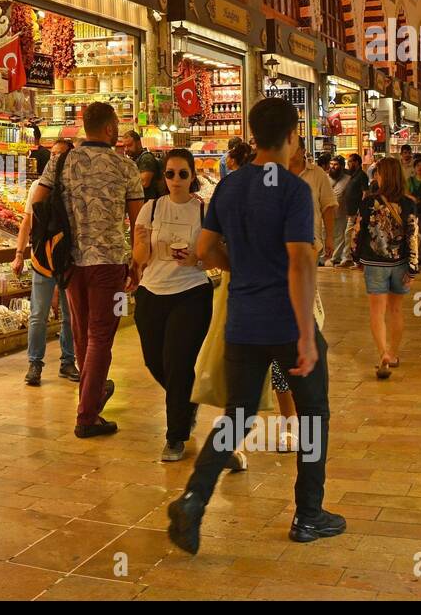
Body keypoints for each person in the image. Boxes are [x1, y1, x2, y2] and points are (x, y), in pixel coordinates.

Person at [167, 97, 339, 554]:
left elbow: (205, 249)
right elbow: (301, 261)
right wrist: (306, 333)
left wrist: (241, 270)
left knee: (237, 415)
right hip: (285, 323)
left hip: (242, 321)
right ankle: (308, 514)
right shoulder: (293, 189)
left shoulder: (230, 185)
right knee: (314, 416)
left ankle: (193, 498)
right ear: (291, 135)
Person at [35, 101, 143, 438]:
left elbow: (37, 201)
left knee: (82, 333)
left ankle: (91, 396)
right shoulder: (125, 166)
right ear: (110, 129)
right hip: (109, 261)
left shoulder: (61, 160)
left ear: (84, 125)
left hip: (71, 261)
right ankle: (87, 415)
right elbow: (138, 222)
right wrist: (137, 263)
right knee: (101, 336)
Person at [131, 149, 213, 462]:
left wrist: (198, 258)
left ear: (192, 177)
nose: (175, 180)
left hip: (191, 292)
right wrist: (141, 243)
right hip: (152, 292)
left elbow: (214, 254)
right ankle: (187, 403)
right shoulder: (150, 209)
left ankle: (175, 436)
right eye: (170, 174)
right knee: (155, 362)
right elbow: (139, 259)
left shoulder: (203, 210)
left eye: (182, 174)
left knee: (178, 363)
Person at [14, 139, 78, 385]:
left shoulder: (75, 185)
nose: (55, 159)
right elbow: (27, 222)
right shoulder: (38, 187)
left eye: (60, 155)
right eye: (52, 154)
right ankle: (35, 363)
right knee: (38, 314)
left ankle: (68, 361)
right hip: (42, 257)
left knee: (70, 314)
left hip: (68, 258)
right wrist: (19, 253)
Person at [351, 156, 419, 380]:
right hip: (399, 263)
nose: (376, 177)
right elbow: (413, 235)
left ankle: (382, 354)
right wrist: (413, 266)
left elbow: (358, 231)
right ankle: (393, 353)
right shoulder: (409, 203)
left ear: (384, 176)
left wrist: (356, 257)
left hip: (374, 262)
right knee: (396, 310)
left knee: (377, 312)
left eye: (378, 173)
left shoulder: (368, 202)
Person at [292, 142, 337, 267]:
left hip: (310, 240)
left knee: (305, 284)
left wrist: (329, 237)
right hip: (280, 241)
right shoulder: (275, 174)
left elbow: (328, 207)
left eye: (294, 149)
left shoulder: (317, 174)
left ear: (303, 151)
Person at [338, 152, 370, 268]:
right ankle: (350, 258)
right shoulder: (352, 175)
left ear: (356, 162)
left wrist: (361, 209)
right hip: (351, 211)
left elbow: (365, 193)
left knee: (352, 235)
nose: (348, 164)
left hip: (357, 211)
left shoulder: (361, 176)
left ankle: (353, 259)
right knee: (350, 235)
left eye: (350, 161)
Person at [125, 129, 166, 200]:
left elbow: (144, 182)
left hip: (150, 203)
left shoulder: (146, 158)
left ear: (138, 143)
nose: (126, 149)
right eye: (125, 146)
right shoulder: (135, 159)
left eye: (129, 145)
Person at [328, 155, 352, 265]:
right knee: (325, 234)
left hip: (341, 211)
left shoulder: (348, 179)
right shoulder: (325, 177)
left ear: (342, 166)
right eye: (331, 164)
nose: (333, 167)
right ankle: (325, 258)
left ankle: (335, 258)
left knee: (339, 236)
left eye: (336, 164)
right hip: (326, 211)